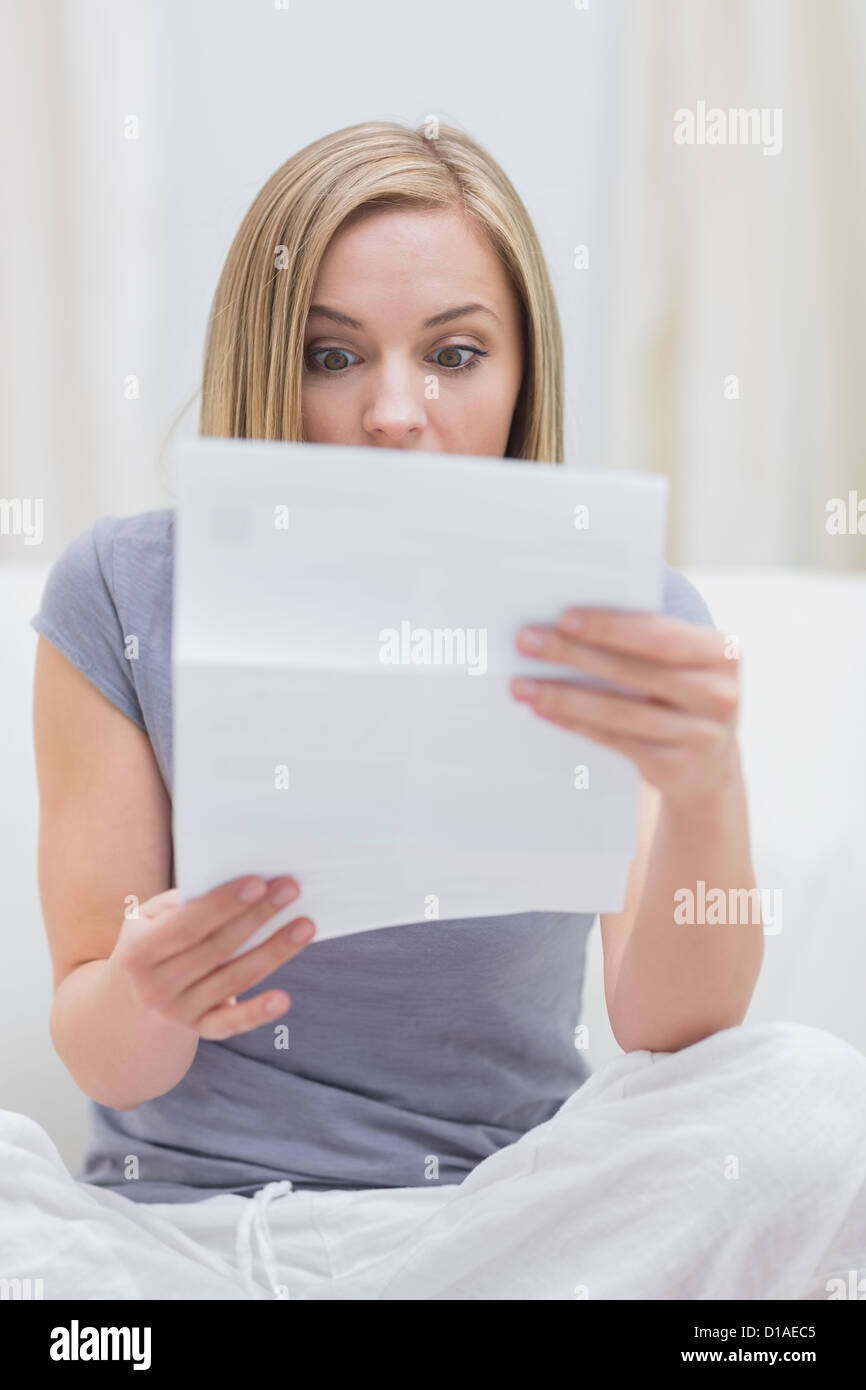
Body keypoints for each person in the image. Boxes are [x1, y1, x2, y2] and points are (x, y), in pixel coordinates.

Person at [4, 121, 865, 1301]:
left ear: (520, 377)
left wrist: (707, 784)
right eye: (332, 355)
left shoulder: (621, 609)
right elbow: (103, 1043)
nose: (396, 412)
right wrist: (150, 992)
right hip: (167, 1247)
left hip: (488, 1243)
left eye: (453, 355)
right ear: (265, 358)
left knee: (811, 1099)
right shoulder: (120, 591)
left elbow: (673, 1029)